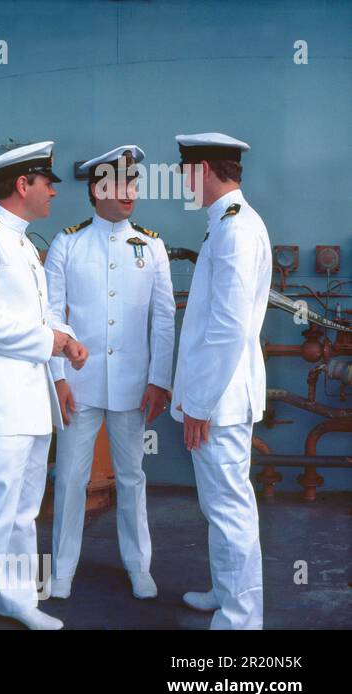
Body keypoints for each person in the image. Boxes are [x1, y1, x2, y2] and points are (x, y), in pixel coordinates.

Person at [0, 141, 87, 630]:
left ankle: (17, 599)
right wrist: (53, 340)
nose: (52, 193)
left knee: (24, 512)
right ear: (23, 185)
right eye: (47, 184)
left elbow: (39, 314)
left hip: (30, 401)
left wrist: (64, 346)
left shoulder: (25, 243)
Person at [44, 145, 174, 600]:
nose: (130, 192)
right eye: (119, 184)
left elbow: (163, 317)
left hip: (133, 384)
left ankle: (140, 565)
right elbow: (51, 315)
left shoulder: (151, 244)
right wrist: (57, 376)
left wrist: (159, 379)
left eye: (133, 183)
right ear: (96, 190)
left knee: (132, 476)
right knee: (70, 478)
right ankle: (61, 570)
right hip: (78, 384)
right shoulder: (68, 242)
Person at [171, 132, 270, 630]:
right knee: (219, 503)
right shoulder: (229, 222)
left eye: (185, 170)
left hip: (220, 399)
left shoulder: (233, 229)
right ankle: (225, 591)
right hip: (222, 395)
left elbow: (228, 328)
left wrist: (200, 403)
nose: (182, 181)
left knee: (229, 507)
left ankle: (240, 619)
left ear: (203, 170)